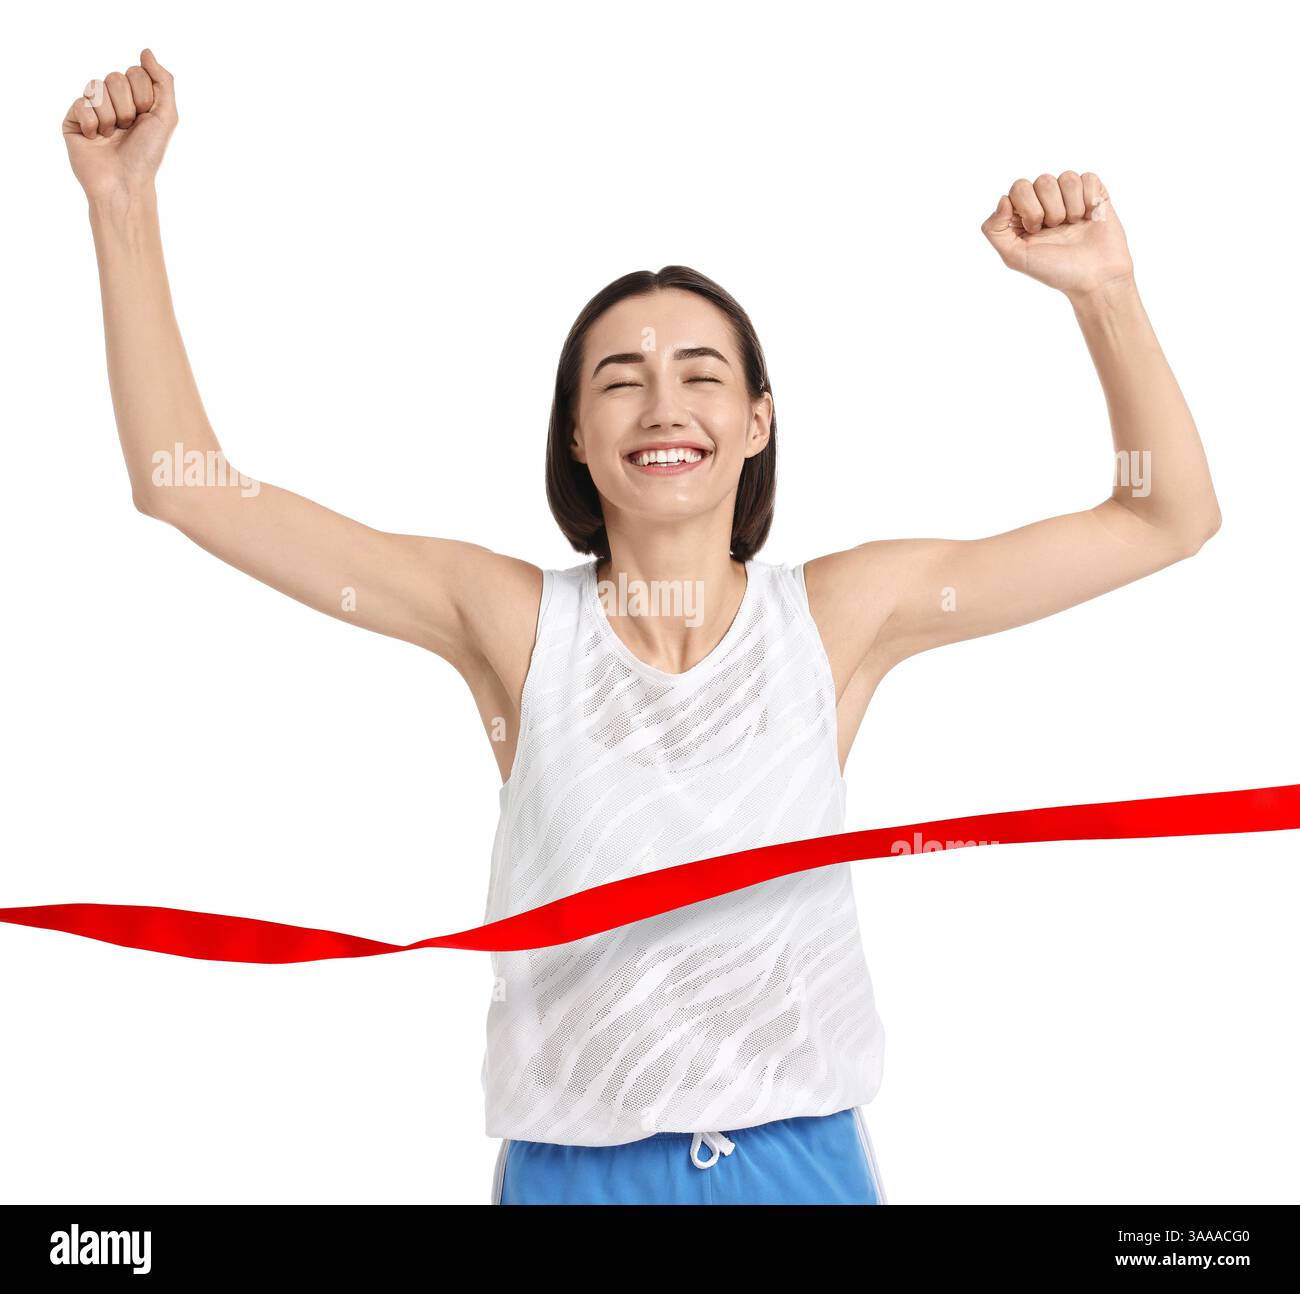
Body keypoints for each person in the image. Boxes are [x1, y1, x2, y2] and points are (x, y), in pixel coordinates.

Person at [63, 50, 1222, 1206]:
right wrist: (124, 203)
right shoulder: (510, 623)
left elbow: (1165, 516)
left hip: (796, 1166)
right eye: (620, 379)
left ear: (758, 420)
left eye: (702, 374)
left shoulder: (840, 617)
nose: (664, 404)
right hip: (576, 1175)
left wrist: (1103, 291)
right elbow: (189, 488)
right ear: (575, 433)